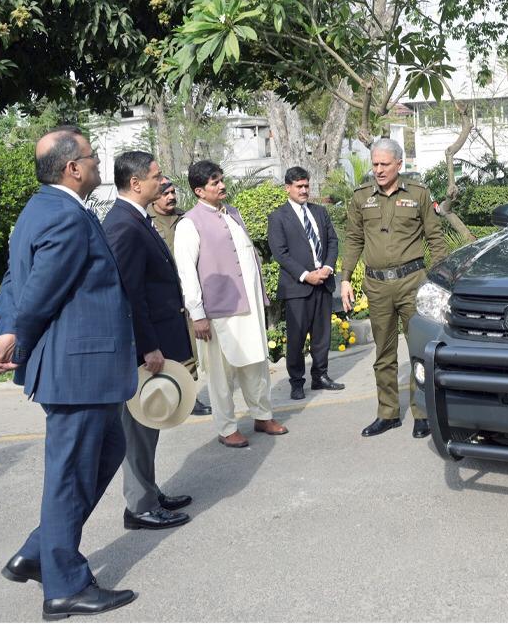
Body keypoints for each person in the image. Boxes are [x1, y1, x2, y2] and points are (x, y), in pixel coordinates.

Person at [0, 126, 139, 618]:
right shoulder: (65, 216)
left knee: (108, 449)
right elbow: (40, 287)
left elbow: (11, 280)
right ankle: (64, 584)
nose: (96, 164)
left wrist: (10, 324)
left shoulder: (39, 210)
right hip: (79, 368)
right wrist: (14, 333)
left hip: (78, 367)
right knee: (69, 475)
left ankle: (37, 551)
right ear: (73, 168)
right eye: (91, 157)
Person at [102, 151, 194, 531]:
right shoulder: (124, 224)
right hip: (144, 346)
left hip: (155, 337)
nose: (162, 181)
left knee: (148, 425)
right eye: (156, 176)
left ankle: (149, 493)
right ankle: (139, 507)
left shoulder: (137, 219)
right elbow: (128, 293)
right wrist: (147, 346)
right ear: (136, 184)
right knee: (138, 428)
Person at [173, 160, 288, 448]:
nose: (222, 185)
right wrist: (198, 315)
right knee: (221, 374)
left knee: (256, 364)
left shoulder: (233, 213)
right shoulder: (190, 223)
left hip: (249, 306)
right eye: (214, 182)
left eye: (221, 179)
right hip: (216, 313)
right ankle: (226, 428)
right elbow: (187, 272)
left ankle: (262, 415)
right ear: (199, 190)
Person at [340, 138, 448, 439]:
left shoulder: (418, 194)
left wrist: (438, 278)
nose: (378, 170)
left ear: (398, 164)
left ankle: (423, 413)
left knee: (418, 350)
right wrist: (345, 277)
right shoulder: (362, 197)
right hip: (376, 285)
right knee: (383, 353)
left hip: (413, 282)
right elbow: (353, 239)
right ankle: (387, 413)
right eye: (374, 164)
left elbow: (435, 238)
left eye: (384, 164)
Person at [268, 166, 344, 400]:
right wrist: (306, 275)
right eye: (299, 186)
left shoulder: (319, 212)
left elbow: (332, 241)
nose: (303, 190)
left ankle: (320, 376)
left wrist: (327, 268)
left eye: (306, 186)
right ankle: (297, 382)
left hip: (323, 282)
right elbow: (280, 253)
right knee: (297, 337)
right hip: (297, 287)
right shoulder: (278, 216)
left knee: (322, 335)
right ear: (287, 188)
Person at [149, 176, 211, 416]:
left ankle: (188, 396)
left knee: (188, 348)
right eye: (165, 193)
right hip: (162, 295)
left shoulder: (186, 218)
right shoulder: (147, 220)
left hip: (188, 291)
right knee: (168, 349)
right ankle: (168, 396)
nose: (171, 197)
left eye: (173, 192)